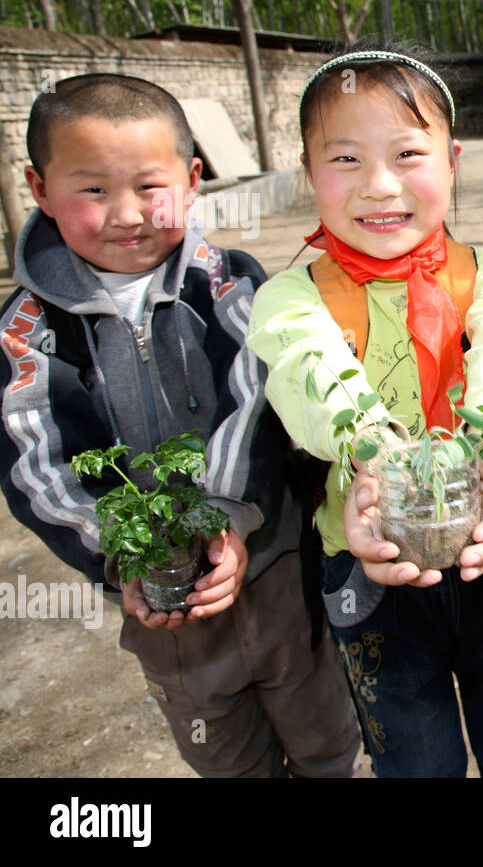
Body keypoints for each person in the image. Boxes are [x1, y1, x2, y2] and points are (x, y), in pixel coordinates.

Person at [0, 73, 361, 777]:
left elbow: (257, 401)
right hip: (163, 609)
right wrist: (122, 554)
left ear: (193, 178)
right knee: (224, 752)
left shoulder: (231, 284)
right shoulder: (25, 332)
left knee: (325, 734)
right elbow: (34, 464)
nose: (127, 213)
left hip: (277, 567)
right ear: (39, 188)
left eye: (148, 185)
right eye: (93, 190)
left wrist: (223, 517)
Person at [246, 42, 483, 778]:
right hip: (369, 561)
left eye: (409, 154)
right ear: (307, 174)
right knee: (413, 760)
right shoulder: (292, 297)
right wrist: (372, 456)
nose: (381, 187)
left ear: (453, 162)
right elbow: (309, 375)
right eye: (345, 159)